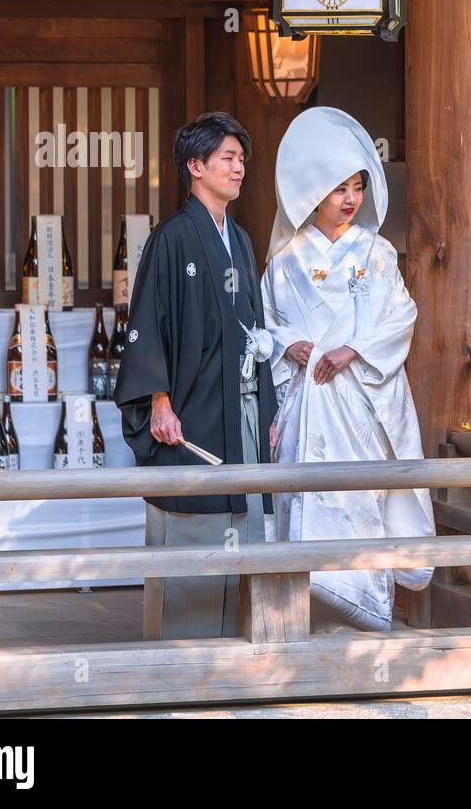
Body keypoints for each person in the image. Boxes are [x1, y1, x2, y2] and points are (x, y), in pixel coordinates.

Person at [261, 107, 434, 632]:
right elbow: (266, 325)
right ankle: (297, 622)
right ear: (315, 190)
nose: (350, 198)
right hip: (311, 402)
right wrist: (290, 346)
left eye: (357, 186)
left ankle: (365, 608)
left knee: (361, 498)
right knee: (307, 497)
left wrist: (353, 349)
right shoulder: (285, 260)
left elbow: (401, 315)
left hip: (359, 401)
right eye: (340, 187)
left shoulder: (377, 253)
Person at [113, 111, 277, 639]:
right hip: (194, 406)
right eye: (227, 158)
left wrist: (268, 407)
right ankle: (184, 654)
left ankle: (245, 651)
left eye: (241, 159)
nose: (239, 168)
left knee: (249, 518)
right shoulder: (173, 239)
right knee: (196, 519)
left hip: (244, 404)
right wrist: (158, 401)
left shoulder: (243, 241)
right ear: (195, 165)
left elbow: (256, 328)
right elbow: (149, 322)